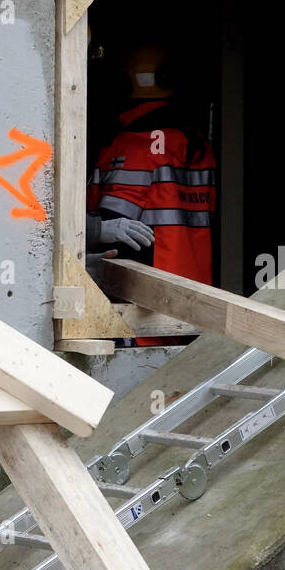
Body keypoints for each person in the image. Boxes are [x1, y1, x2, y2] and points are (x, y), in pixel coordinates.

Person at [86, 42, 217, 345]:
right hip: (193, 304)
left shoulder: (133, 145)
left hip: (143, 312)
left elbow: (112, 229)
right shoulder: (197, 144)